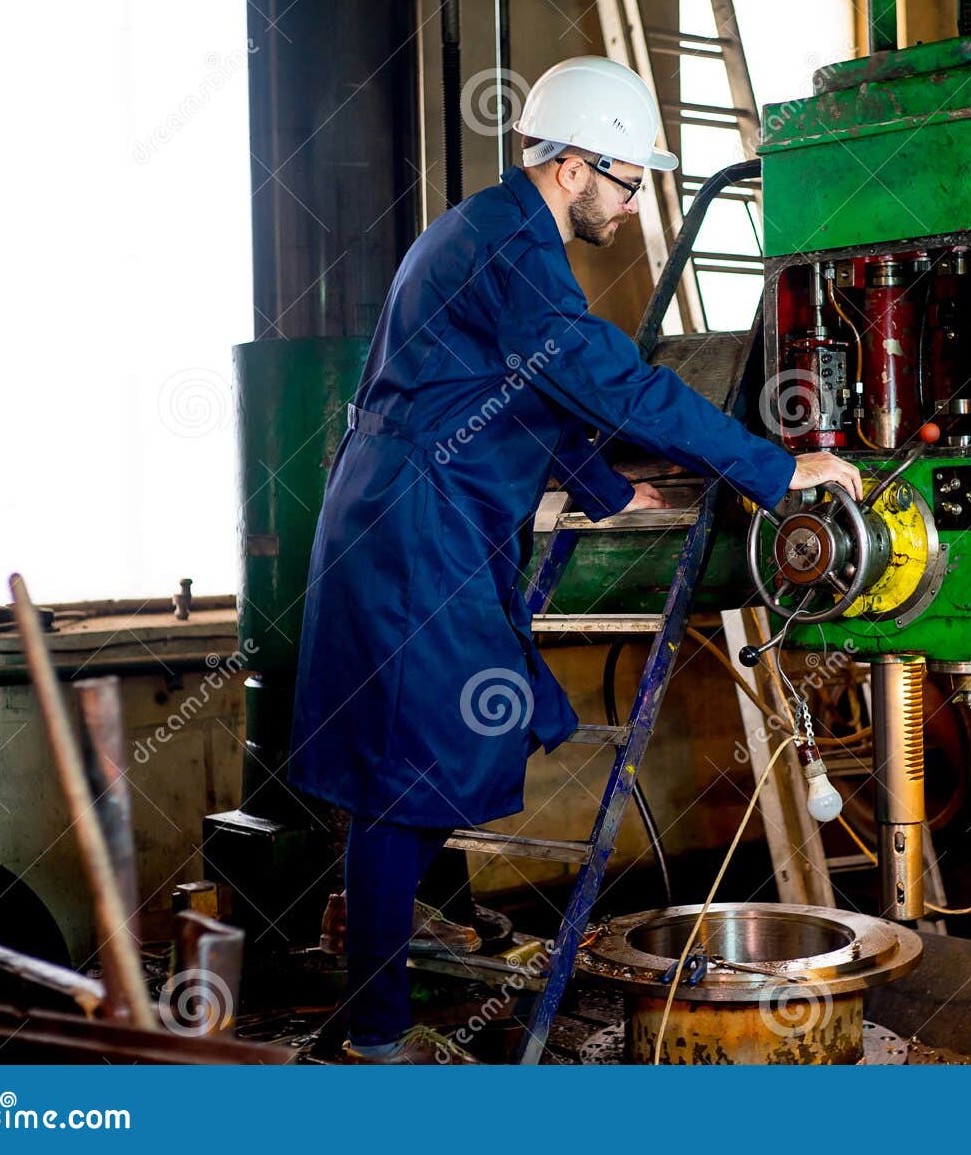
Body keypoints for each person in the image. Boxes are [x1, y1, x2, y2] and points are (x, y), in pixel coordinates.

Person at [289, 55, 862, 1064]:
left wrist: (605, 489)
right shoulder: (515, 247)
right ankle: (375, 1036)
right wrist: (772, 468)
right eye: (631, 182)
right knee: (406, 768)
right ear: (574, 166)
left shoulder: (491, 231)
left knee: (457, 735)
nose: (634, 206)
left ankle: (385, 924)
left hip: (423, 516)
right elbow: (610, 381)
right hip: (417, 528)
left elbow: (518, 390)